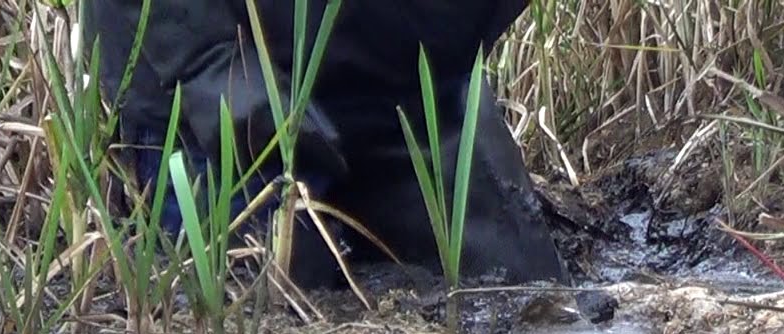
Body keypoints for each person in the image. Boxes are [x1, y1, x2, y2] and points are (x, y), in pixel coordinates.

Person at [79, 0, 571, 289]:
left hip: (401, 81)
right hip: (211, 85)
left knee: (522, 291)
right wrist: (214, 73)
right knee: (274, 308)